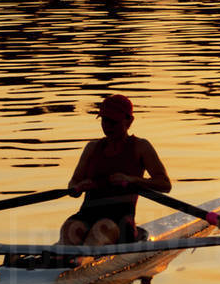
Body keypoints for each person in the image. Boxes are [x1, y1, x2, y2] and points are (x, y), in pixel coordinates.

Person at [63, 94, 172, 245]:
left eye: (113, 122)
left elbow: (165, 185)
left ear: (129, 121)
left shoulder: (140, 147)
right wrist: (76, 187)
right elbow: (73, 183)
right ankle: (65, 260)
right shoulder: (92, 148)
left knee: (100, 230)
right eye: (104, 120)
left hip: (120, 219)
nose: (107, 126)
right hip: (87, 213)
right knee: (69, 229)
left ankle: (81, 261)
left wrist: (131, 180)